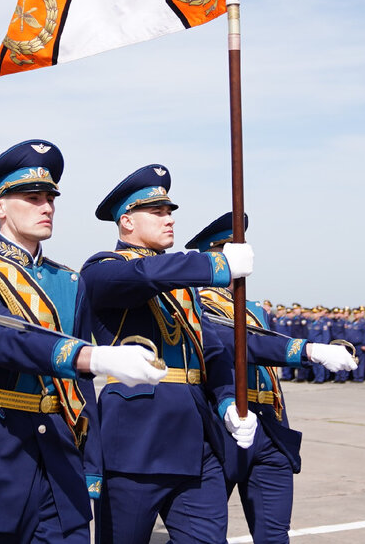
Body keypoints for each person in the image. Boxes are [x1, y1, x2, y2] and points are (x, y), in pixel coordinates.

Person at [0, 140, 166, 544]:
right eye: (32, 198)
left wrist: (92, 464)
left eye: (50, 199)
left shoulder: (69, 281)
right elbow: (4, 341)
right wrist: (92, 356)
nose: (47, 207)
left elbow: (81, 388)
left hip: (61, 457)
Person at [80, 164, 257, 544]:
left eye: (170, 211)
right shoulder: (104, 268)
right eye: (157, 212)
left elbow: (212, 351)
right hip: (134, 443)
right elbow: (143, 276)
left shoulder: (184, 286)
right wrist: (216, 263)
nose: (169, 219)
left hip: (196, 441)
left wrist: (227, 400)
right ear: (126, 222)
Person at [189, 212, 355, 544]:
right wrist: (308, 350)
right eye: (230, 251)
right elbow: (240, 342)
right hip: (221, 426)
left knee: (274, 534)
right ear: (214, 256)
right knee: (201, 536)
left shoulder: (256, 308)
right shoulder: (198, 305)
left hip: (268, 423)